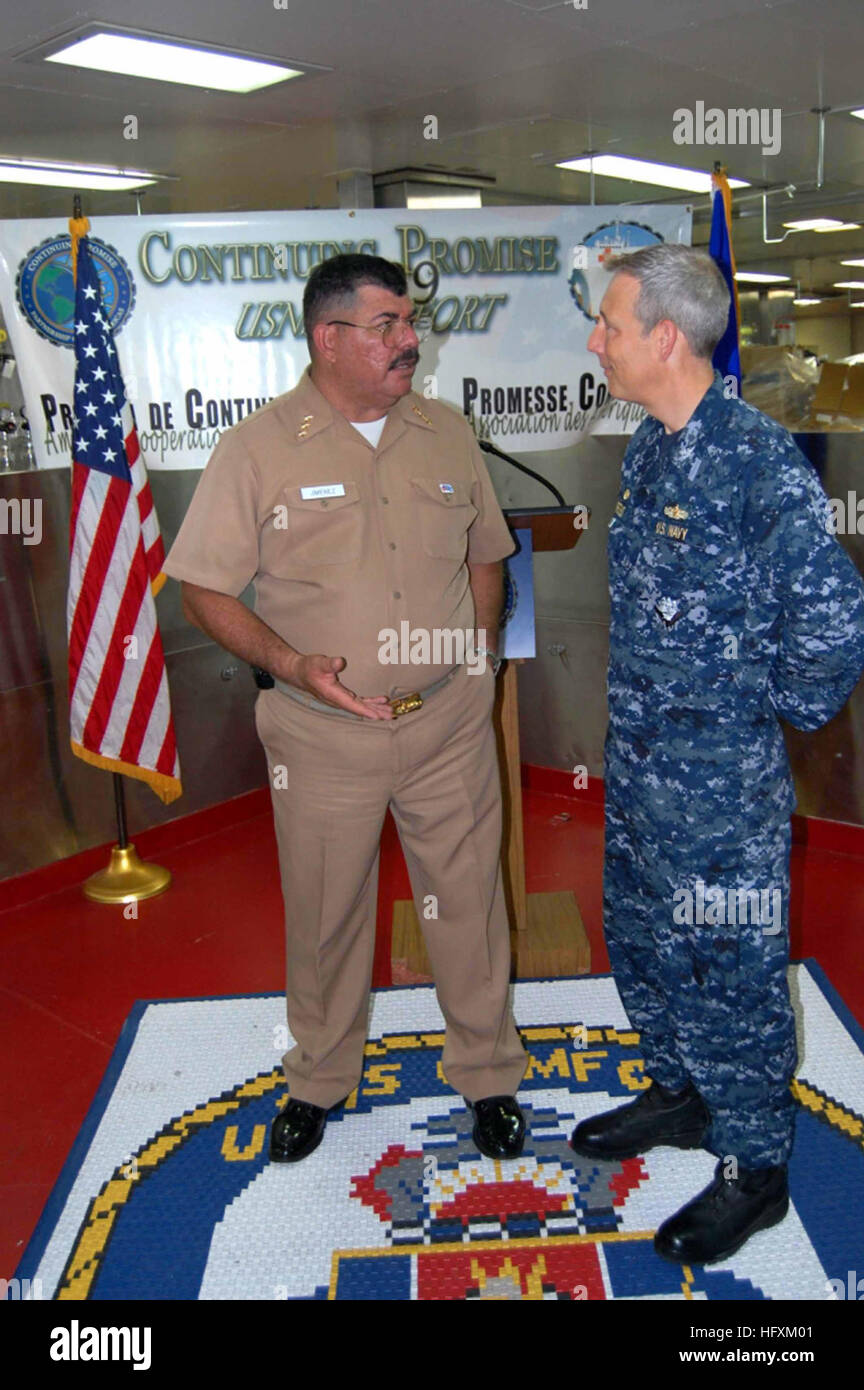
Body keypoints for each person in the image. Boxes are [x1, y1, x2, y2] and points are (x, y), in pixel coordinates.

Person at [163, 253, 527, 1164]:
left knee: (469, 901)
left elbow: (488, 552)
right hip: (321, 735)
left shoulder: (445, 432)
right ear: (329, 339)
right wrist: (290, 663)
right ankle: (320, 1079)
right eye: (389, 326)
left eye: (409, 324)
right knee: (325, 914)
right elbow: (201, 586)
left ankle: (487, 1075)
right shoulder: (258, 446)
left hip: (447, 722)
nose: (411, 341)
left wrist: (476, 659)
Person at [570, 243, 864, 1265]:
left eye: (608, 324)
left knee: (731, 970)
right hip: (643, 772)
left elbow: (831, 612)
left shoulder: (754, 457)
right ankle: (680, 1091)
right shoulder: (651, 444)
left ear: (663, 337)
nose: (595, 340)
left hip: (722, 791)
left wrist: (771, 711)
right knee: (644, 938)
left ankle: (755, 1165)